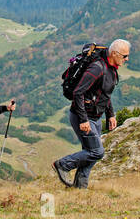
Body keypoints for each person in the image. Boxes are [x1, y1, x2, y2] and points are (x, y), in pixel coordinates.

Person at [53, 39, 130, 189]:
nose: (127, 59)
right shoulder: (97, 68)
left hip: (95, 117)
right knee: (97, 151)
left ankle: (80, 188)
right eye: (124, 56)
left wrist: (111, 115)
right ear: (114, 53)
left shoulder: (112, 68)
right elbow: (78, 92)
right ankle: (62, 164)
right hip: (82, 116)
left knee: (90, 153)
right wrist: (83, 120)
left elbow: (105, 94)